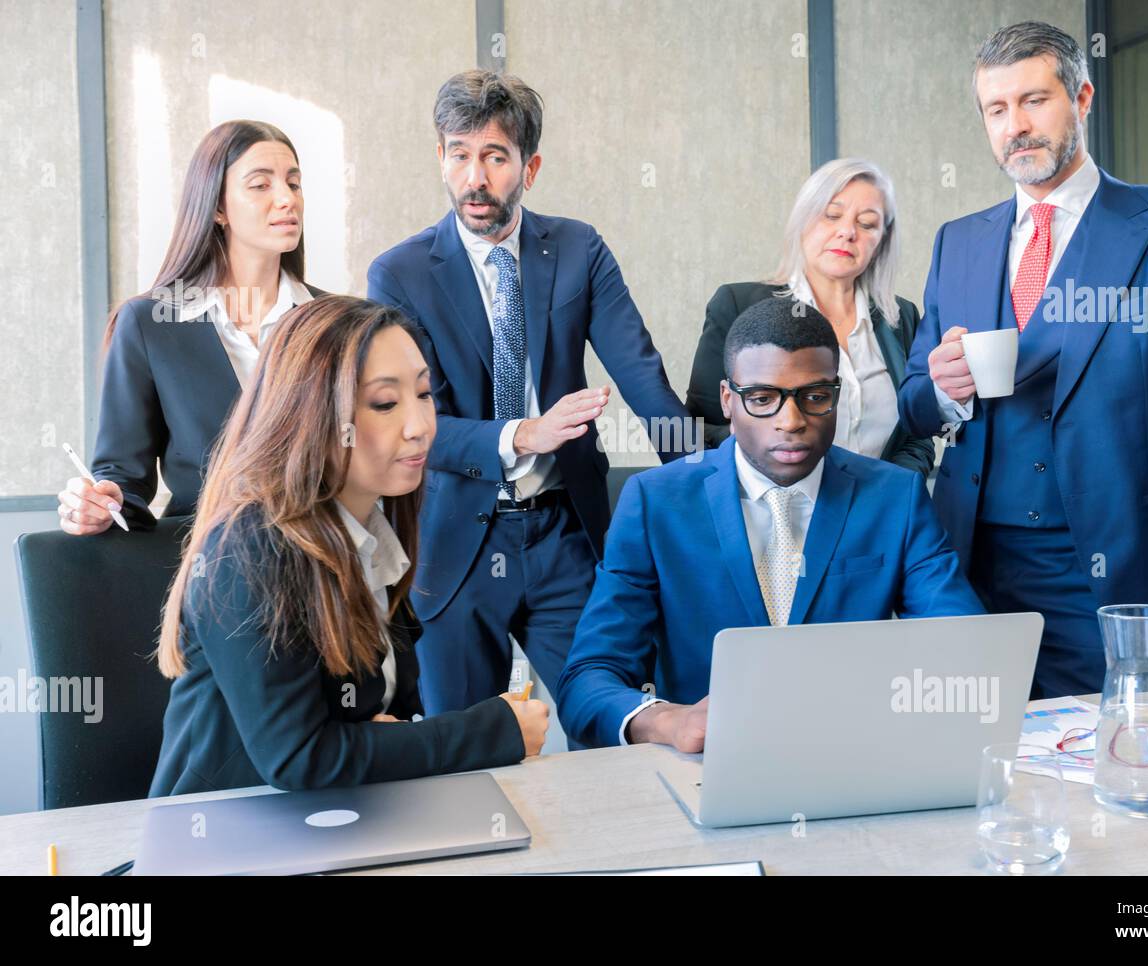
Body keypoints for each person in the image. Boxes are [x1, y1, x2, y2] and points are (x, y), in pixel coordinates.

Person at [896, 22, 1148, 698]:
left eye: (1035, 100)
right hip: (967, 571)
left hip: (1104, 566)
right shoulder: (958, 243)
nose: (1017, 126)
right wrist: (943, 389)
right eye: (997, 109)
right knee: (980, 772)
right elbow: (914, 402)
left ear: (1082, 97)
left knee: (1106, 766)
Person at [367, 70, 692, 717]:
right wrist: (521, 435)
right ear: (441, 158)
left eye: (495, 156)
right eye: (459, 155)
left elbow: (642, 374)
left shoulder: (578, 249)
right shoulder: (398, 274)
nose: (475, 177)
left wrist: (704, 477)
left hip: (564, 534)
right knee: (459, 747)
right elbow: (413, 423)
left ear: (529, 166)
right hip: (453, 544)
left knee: (608, 718)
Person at [150, 296, 548, 797]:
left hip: (343, 813)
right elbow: (301, 758)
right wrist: (495, 730)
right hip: (228, 834)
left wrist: (375, 741)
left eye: (424, 394)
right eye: (385, 403)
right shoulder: (249, 547)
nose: (421, 425)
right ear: (310, 412)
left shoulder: (375, 529)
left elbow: (369, 725)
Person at [556, 297, 984, 750]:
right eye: (762, 399)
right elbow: (587, 680)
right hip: (704, 767)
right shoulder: (655, 502)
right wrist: (667, 722)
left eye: (815, 397)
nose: (791, 421)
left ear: (836, 395)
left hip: (855, 754)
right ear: (727, 399)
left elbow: (963, 650)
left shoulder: (894, 497)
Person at [58, 120, 320, 535]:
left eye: (294, 183)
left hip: (327, 563)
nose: (287, 199)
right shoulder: (150, 324)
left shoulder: (335, 321)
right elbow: (123, 475)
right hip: (208, 570)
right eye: (260, 185)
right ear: (218, 209)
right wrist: (99, 503)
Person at [687, 159, 934, 475]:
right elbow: (695, 429)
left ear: (882, 240)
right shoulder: (737, 305)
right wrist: (752, 448)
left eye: (868, 223)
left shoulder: (901, 318)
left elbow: (916, 435)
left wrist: (892, 495)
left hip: (877, 515)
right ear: (802, 221)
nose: (847, 232)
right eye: (831, 215)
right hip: (768, 511)